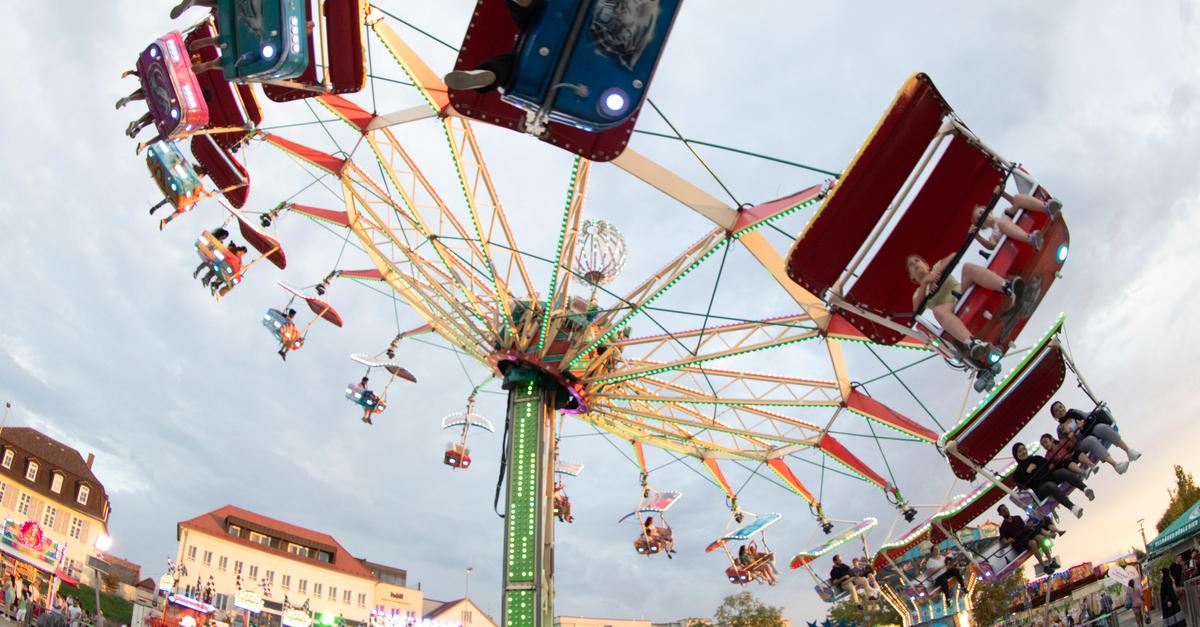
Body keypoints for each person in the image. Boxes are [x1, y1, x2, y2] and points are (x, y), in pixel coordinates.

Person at [906, 253, 1025, 362]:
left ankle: (1008, 287)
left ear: (926, 264)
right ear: (912, 277)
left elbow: (954, 255)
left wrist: (936, 274)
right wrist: (925, 282)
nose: (915, 264)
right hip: (951, 308)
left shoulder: (937, 268)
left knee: (967, 267)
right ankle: (972, 342)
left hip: (962, 291)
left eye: (917, 260)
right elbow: (916, 310)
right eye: (911, 264)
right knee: (938, 311)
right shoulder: (918, 293)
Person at [443, 0, 543, 92]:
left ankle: (488, 75)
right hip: (539, 23)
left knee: (508, 67)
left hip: (530, 37)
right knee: (534, 15)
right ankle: (522, 4)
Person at [1051, 401, 1140, 474]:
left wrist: (1084, 422)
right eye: (1056, 410)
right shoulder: (1060, 429)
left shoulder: (1074, 412)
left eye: (1060, 407)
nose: (1060, 410)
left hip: (1089, 430)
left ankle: (1129, 451)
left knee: (1102, 427)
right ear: (1055, 416)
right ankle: (1115, 465)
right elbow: (1069, 446)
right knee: (1091, 440)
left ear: (1064, 406)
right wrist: (1071, 434)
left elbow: (1088, 416)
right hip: (1081, 443)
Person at [1012, 442, 1092, 518]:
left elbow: (1048, 464)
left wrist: (1051, 466)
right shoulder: (1017, 473)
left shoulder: (1036, 458)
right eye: (1020, 451)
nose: (1023, 452)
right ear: (1016, 455)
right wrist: (1028, 472)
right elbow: (1023, 488)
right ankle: (1073, 508)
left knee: (1062, 472)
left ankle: (1085, 489)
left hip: (1049, 477)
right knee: (1050, 485)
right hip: (1039, 489)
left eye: (1024, 449)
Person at [970, 190, 1062, 251]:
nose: (982, 216)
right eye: (979, 218)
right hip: (1018, 243)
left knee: (1017, 198)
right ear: (982, 226)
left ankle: (1047, 208)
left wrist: (1002, 193)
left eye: (981, 212)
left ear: (989, 210)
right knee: (1002, 223)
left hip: (1024, 221)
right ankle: (1030, 238)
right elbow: (991, 246)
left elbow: (1014, 201)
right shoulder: (993, 235)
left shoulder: (1005, 212)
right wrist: (977, 237)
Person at [997, 504, 1059, 572]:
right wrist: (1007, 541)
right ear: (1000, 514)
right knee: (1033, 543)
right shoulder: (1003, 528)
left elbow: (1024, 528)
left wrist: (1028, 526)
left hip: (1026, 535)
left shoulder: (1017, 517)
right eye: (1003, 511)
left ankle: (1050, 561)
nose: (1005, 511)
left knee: (1040, 538)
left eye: (1006, 509)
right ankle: (1044, 566)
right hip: (1019, 541)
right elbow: (1003, 541)